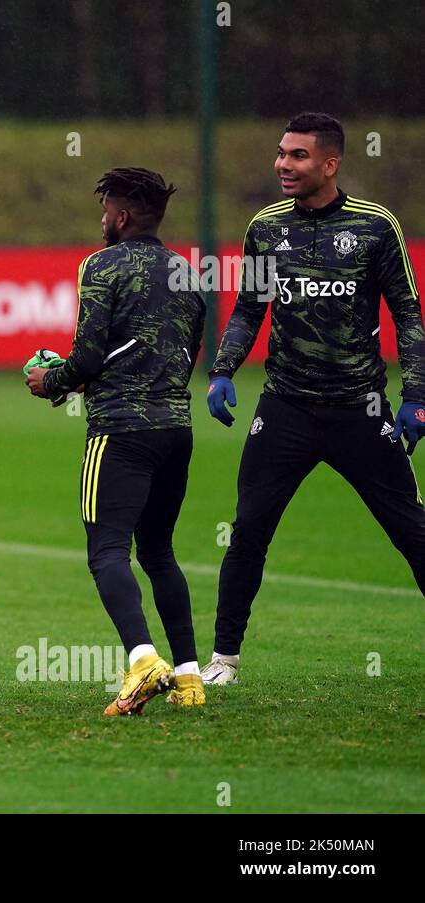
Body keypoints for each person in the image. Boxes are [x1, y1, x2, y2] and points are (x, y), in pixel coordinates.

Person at [203, 112, 425, 684]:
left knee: (411, 531)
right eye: (281, 153)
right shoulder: (265, 228)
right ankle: (223, 659)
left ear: (331, 163)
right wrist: (222, 370)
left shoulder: (377, 227)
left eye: (298, 156)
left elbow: (408, 313)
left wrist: (415, 396)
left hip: (361, 408)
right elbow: (250, 308)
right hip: (285, 408)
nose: (283, 164)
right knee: (248, 529)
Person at [27, 167, 206, 714]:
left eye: (106, 209)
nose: (102, 219)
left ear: (122, 216)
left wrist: (50, 381)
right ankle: (192, 679)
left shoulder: (101, 266)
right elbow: (180, 353)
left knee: (107, 552)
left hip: (120, 431)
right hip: (177, 428)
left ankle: (144, 660)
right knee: (159, 552)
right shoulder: (187, 272)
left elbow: (85, 356)